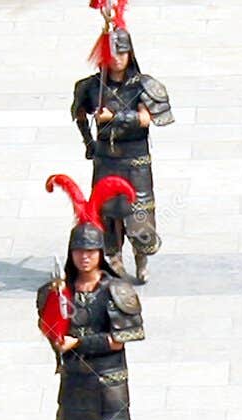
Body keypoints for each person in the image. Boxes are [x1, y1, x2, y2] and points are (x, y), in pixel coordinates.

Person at [38, 174, 145, 420]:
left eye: (91, 251)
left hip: (109, 382)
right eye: (78, 252)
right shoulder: (59, 291)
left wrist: (78, 342)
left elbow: (122, 337)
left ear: (100, 253)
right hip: (75, 385)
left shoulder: (115, 290)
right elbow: (49, 327)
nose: (84, 257)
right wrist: (56, 336)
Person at [71, 18, 172, 283]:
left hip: (135, 161)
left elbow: (145, 119)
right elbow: (80, 114)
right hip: (106, 160)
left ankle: (141, 259)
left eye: (122, 52)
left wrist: (112, 118)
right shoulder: (92, 86)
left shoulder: (143, 86)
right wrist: (89, 143)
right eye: (113, 52)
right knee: (107, 214)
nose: (118, 58)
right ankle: (113, 259)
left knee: (138, 214)